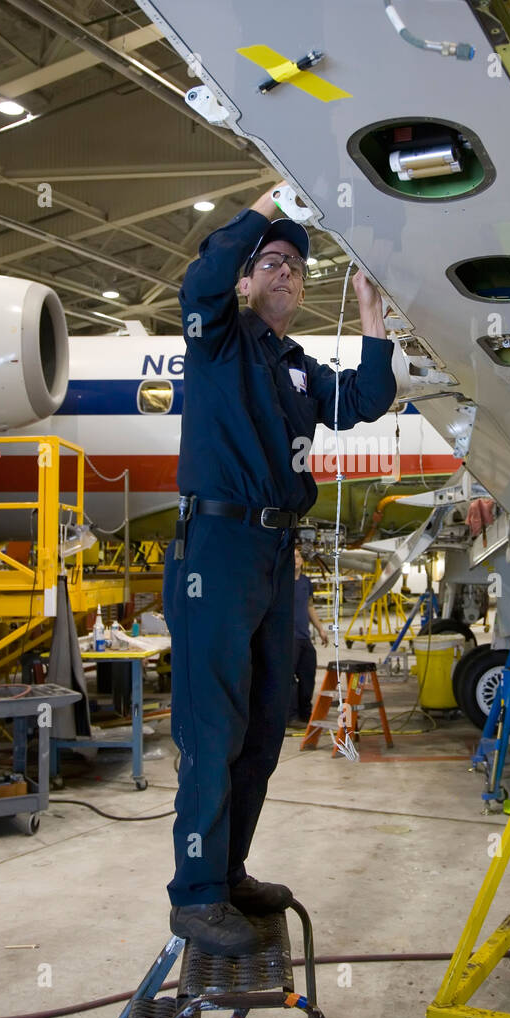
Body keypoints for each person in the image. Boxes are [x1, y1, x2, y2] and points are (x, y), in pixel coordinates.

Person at [163, 187, 397, 955]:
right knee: (214, 725)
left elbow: (365, 399)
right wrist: (270, 204)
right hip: (218, 551)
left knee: (264, 724)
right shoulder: (217, 337)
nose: (287, 273)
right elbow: (200, 281)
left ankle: (227, 875)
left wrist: (370, 319)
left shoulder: (297, 368)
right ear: (244, 280)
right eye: (271, 262)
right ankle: (194, 895)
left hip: (275, 553)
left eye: (297, 265)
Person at [290, 549, 328, 726]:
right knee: (288, 680)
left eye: (297, 556)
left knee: (308, 676)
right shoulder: (281, 582)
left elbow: (309, 607)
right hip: (288, 639)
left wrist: (320, 629)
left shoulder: (306, 582)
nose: (294, 560)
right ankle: (291, 716)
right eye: (291, 557)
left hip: (304, 637)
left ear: (302, 561)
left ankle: (305, 715)